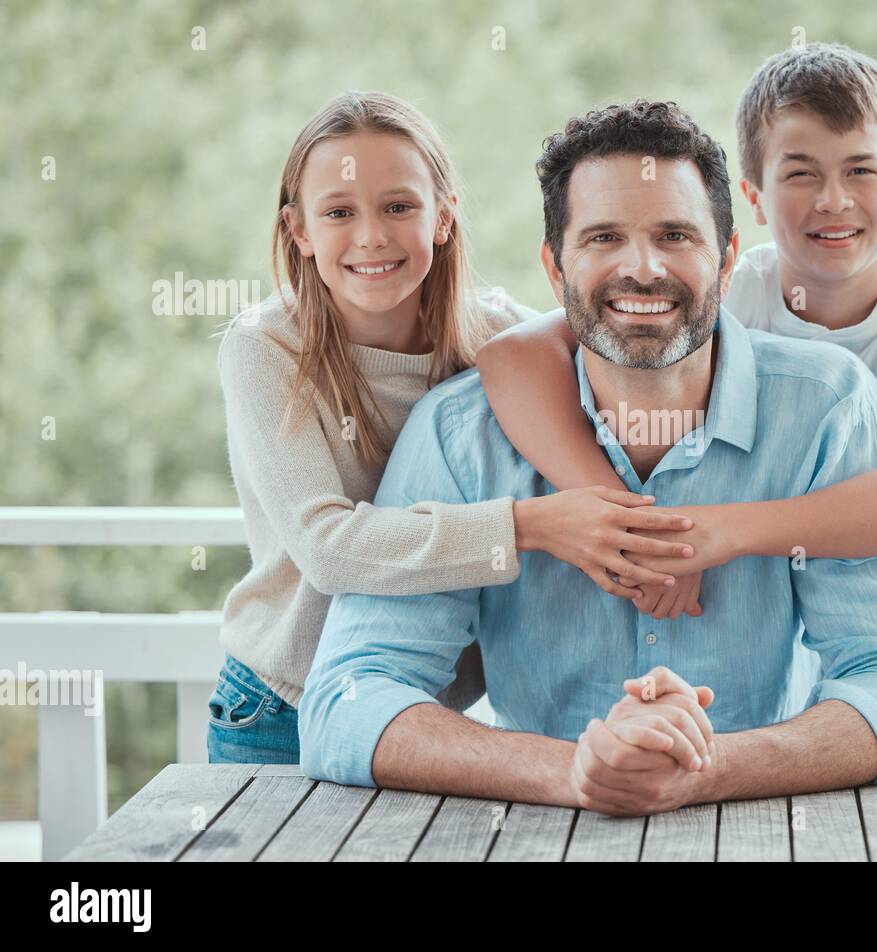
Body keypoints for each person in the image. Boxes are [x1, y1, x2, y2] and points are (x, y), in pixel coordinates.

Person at [298, 100, 877, 816]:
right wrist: (577, 772)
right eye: (604, 237)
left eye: (674, 235)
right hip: (531, 833)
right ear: (554, 269)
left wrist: (713, 768)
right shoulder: (459, 436)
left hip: (770, 830)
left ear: (729, 259)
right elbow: (347, 699)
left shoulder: (831, 412)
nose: (641, 268)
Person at [476, 45, 877, 768]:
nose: (834, 199)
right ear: (755, 196)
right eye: (801, 173)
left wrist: (717, 534)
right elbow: (513, 357)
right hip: (849, 683)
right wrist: (640, 534)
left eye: (861, 169)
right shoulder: (732, 291)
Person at [209, 91, 694, 764]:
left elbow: (603, 327)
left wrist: (652, 537)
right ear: (299, 230)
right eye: (339, 213)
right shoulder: (265, 349)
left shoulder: (496, 338)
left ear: (444, 215)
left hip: (431, 717)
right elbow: (327, 550)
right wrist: (534, 525)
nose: (372, 235)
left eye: (399, 207)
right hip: (281, 704)